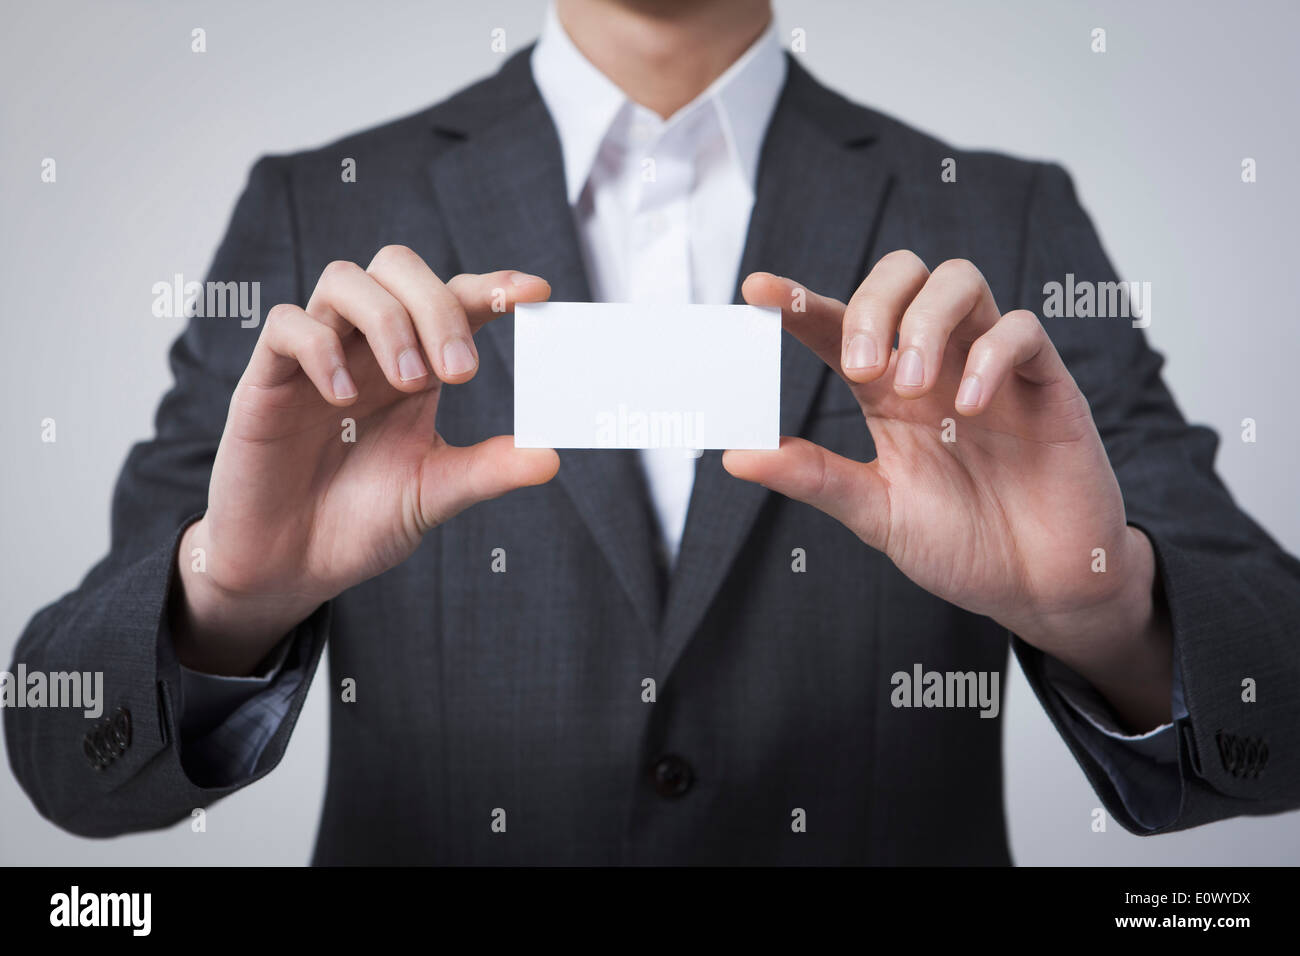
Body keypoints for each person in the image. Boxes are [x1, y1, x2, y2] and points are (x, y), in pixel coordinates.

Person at [7, 0, 1298, 864]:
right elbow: (61, 749)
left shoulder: (1004, 220)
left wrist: (1107, 606)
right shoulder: (316, 210)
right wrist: (223, 601)